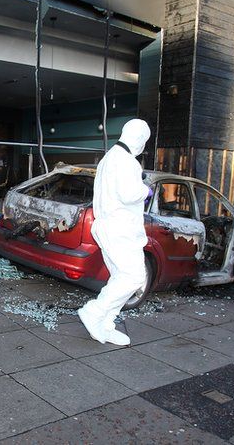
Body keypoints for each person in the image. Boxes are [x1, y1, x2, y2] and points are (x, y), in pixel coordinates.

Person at [77, 119, 152, 346]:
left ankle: (105, 325)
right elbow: (130, 194)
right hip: (121, 228)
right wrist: (146, 190)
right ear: (139, 139)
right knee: (134, 277)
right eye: (144, 142)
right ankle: (95, 311)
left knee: (121, 277)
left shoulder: (109, 158)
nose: (143, 148)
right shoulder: (128, 162)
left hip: (108, 226)